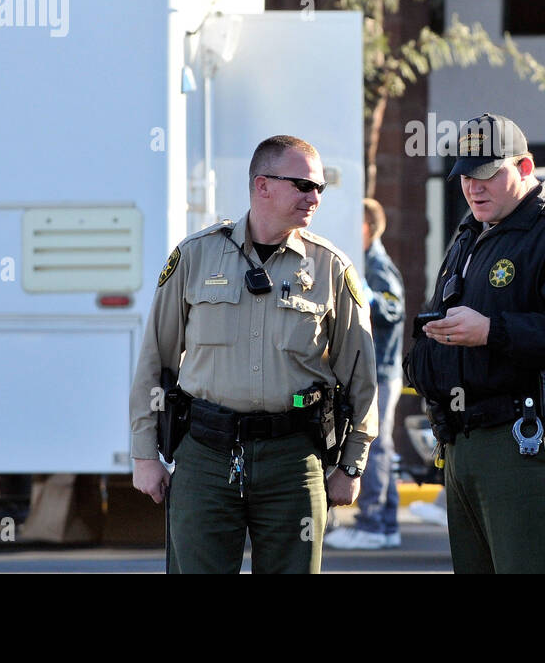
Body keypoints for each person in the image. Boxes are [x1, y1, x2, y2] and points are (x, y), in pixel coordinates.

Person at [129, 135, 377, 574]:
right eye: (302, 184)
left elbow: (361, 377)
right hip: (206, 455)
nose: (314, 196)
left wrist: (353, 465)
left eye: (319, 187)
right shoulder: (195, 256)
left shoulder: (331, 268)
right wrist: (145, 454)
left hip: (294, 462)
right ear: (262, 185)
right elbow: (156, 360)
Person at [405, 113, 545, 574]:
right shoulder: (472, 233)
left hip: (525, 439)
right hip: (465, 440)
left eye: (487, 175)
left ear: (524, 167)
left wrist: (491, 331)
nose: (473, 187)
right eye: (466, 175)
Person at [324, 198, 406, 549]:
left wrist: (369, 298)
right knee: (380, 445)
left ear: (367, 227)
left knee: (374, 445)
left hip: (382, 371)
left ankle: (374, 524)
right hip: (379, 370)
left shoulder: (377, 264)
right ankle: (386, 525)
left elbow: (394, 306)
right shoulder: (369, 261)